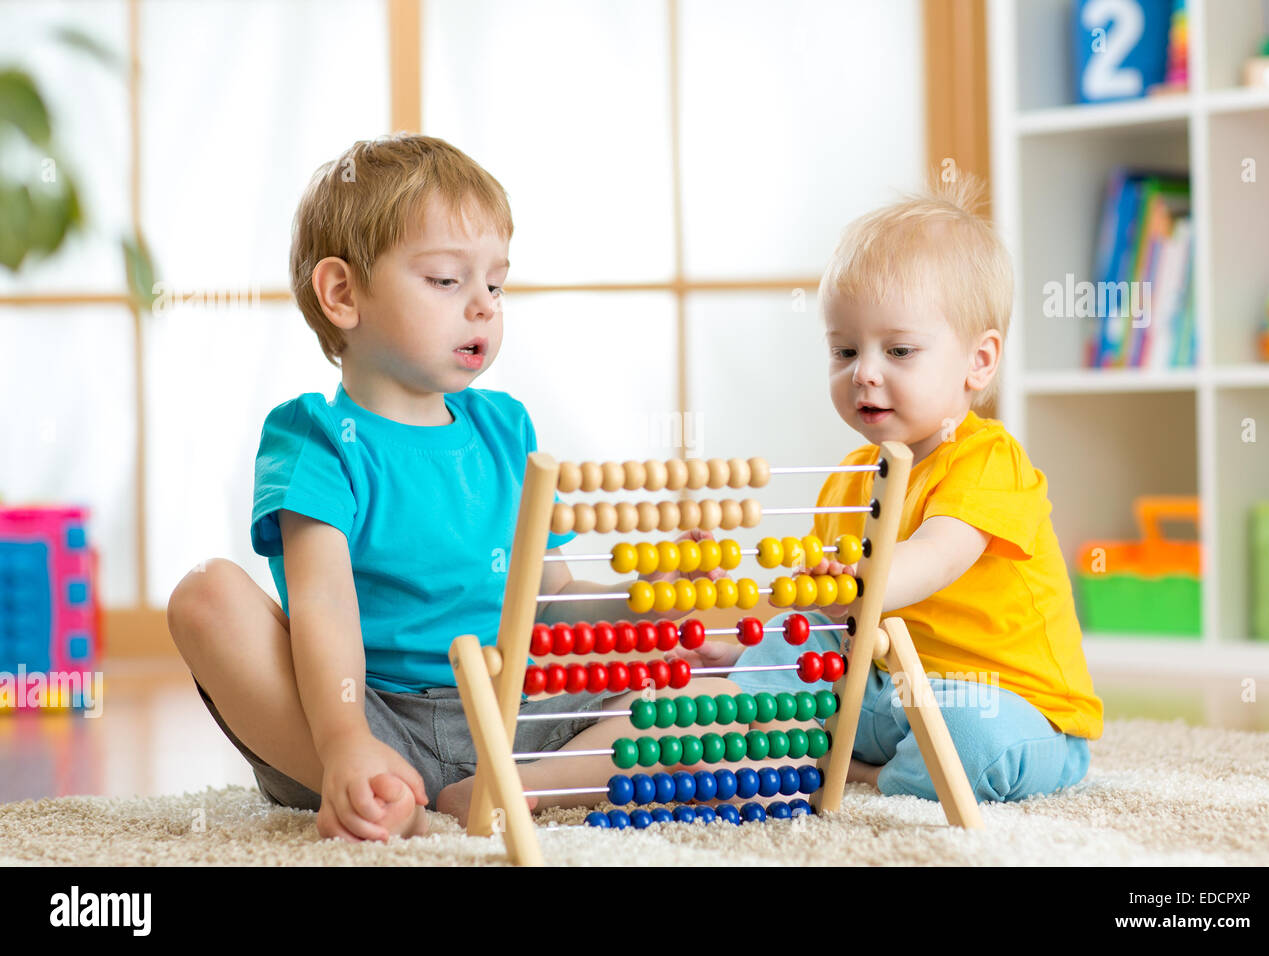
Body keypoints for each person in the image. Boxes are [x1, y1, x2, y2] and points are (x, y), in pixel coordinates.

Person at [166, 133, 733, 841]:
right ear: (343, 294)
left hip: (512, 708)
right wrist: (344, 737)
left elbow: (547, 597)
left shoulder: (506, 429)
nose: (485, 307)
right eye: (446, 281)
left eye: (495, 284)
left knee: (710, 702)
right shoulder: (314, 437)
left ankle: (505, 790)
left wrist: (653, 592)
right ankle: (370, 782)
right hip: (362, 711)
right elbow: (325, 609)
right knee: (204, 594)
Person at [670, 171, 1103, 805]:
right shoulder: (850, 478)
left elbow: (933, 556)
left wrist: (855, 577)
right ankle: (852, 749)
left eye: (898, 351)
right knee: (786, 650)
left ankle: (867, 775)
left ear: (979, 362)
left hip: (1003, 700)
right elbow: (815, 601)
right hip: (883, 686)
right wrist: (736, 624)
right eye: (844, 351)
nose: (864, 374)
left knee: (968, 737)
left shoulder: (990, 462)